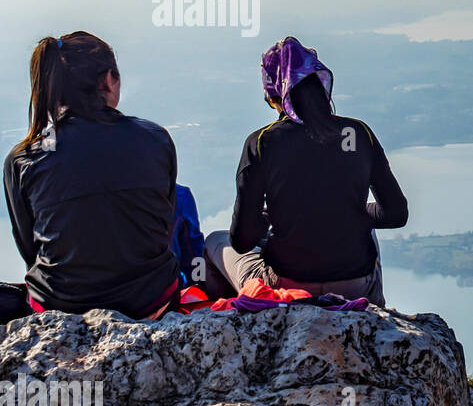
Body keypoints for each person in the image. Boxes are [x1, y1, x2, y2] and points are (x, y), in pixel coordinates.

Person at [205, 37, 408, 305]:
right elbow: (395, 214)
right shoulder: (357, 132)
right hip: (354, 285)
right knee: (366, 231)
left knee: (215, 241)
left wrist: (269, 218)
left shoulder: (262, 142)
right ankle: (373, 311)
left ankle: (236, 318)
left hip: (288, 285)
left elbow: (242, 240)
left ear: (274, 94)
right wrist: (352, 212)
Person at [3, 32, 180, 319]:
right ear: (108, 80)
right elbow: (163, 229)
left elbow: (30, 249)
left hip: (60, 307)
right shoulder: (155, 138)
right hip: (151, 302)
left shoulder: (23, 158)